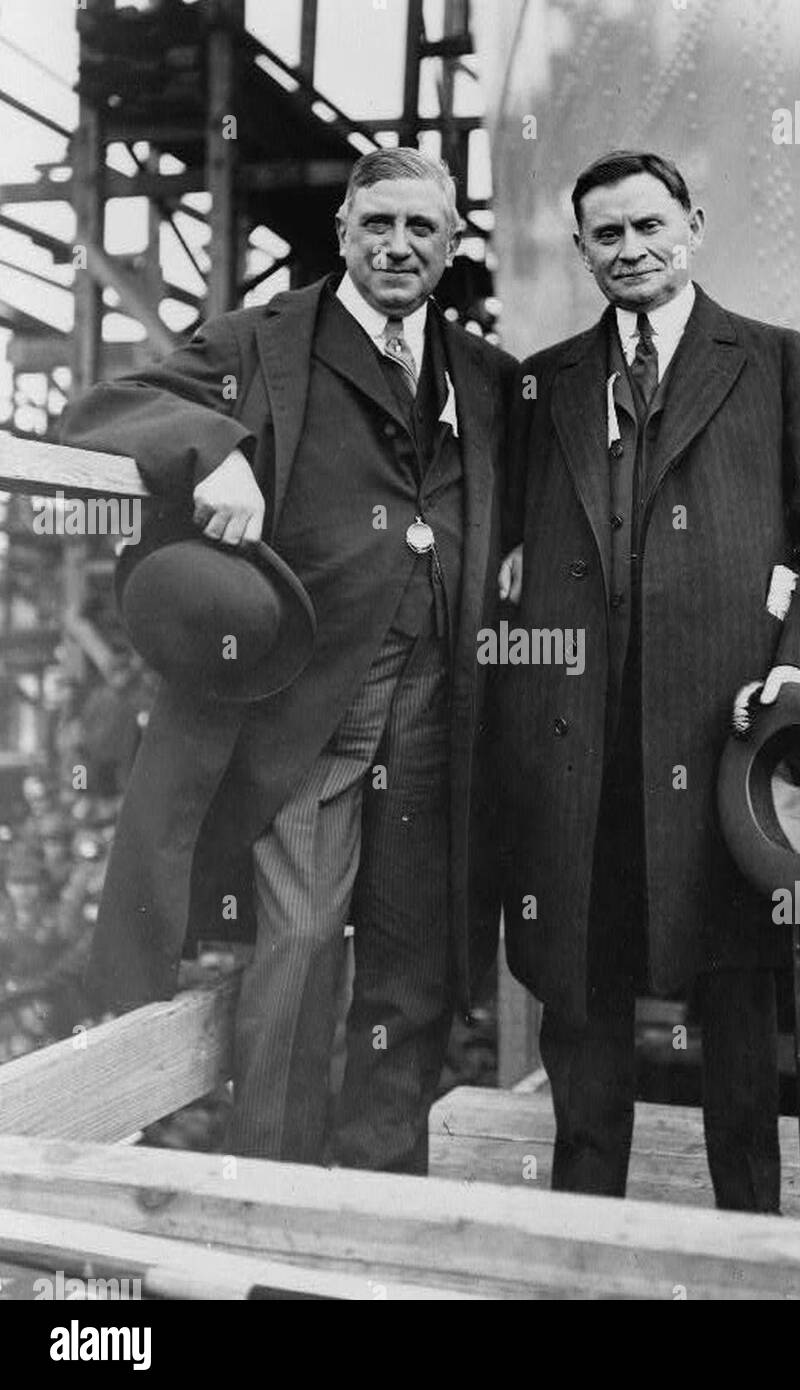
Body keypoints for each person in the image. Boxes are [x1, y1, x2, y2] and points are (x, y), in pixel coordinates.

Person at [60, 149, 517, 1169]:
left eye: (422, 229)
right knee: (302, 944)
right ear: (344, 232)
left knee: (413, 959)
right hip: (312, 705)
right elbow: (101, 408)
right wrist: (212, 449)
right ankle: (266, 1183)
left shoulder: (483, 375)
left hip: (439, 700)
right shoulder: (261, 341)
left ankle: (378, 1186)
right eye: (377, 223)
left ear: (451, 246)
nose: (397, 246)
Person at [493, 150, 800, 1211]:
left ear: (693, 225)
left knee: (738, 1001)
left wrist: (795, 683)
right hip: (583, 747)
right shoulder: (545, 384)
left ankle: (751, 1238)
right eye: (607, 235)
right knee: (581, 995)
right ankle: (585, 1238)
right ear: (582, 251)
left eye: (649, 226)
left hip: (726, 736)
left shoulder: (775, 361)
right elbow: (504, 544)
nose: (632, 249)